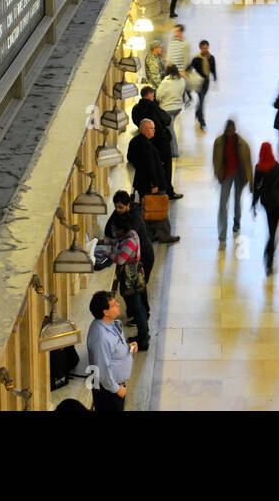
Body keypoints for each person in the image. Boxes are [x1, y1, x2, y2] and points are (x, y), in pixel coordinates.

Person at [86, 290, 138, 411]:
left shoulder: (109, 324)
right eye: (114, 304)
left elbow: (113, 348)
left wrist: (128, 347)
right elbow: (102, 369)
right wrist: (117, 389)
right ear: (105, 312)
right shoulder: (100, 337)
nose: (119, 305)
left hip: (115, 386)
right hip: (108, 391)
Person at [109, 214, 150, 350]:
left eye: (116, 229)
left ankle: (143, 339)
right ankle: (144, 334)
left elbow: (120, 259)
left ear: (122, 229)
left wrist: (107, 253)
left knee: (137, 308)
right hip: (135, 276)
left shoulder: (129, 241)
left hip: (131, 279)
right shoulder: (131, 234)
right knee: (138, 307)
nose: (114, 231)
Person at [211, 120, 253, 247]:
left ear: (234, 130)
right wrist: (218, 174)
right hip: (226, 174)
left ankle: (237, 221)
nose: (230, 133)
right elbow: (215, 159)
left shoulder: (242, 143)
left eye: (232, 130)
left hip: (239, 175)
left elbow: (248, 162)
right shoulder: (219, 142)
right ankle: (222, 236)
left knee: (237, 200)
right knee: (223, 204)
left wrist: (251, 181)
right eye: (228, 130)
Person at [252, 143, 279, 277]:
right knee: (274, 231)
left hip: (267, 203)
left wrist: (254, 205)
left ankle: (269, 257)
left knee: (272, 228)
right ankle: (269, 257)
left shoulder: (258, 168)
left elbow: (256, 188)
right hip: (278, 204)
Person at [126, 118, 164, 202]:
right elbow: (150, 165)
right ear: (144, 129)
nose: (154, 130)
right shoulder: (146, 145)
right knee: (152, 207)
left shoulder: (135, 141)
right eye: (151, 128)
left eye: (154, 128)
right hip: (148, 184)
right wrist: (154, 184)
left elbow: (129, 158)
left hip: (141, 182)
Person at [189, 39, 218, 131]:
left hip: (206, 82)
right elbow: (190, 67)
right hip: (198, 82)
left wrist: (215, 77)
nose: (205, 50)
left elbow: (213, 68)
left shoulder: (211, 58)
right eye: (203, 48)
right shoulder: (197, 58)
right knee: (201, 100)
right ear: (200, 48)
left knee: (201, 100)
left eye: (206, 48)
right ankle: (202, 121)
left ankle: (197, 113)